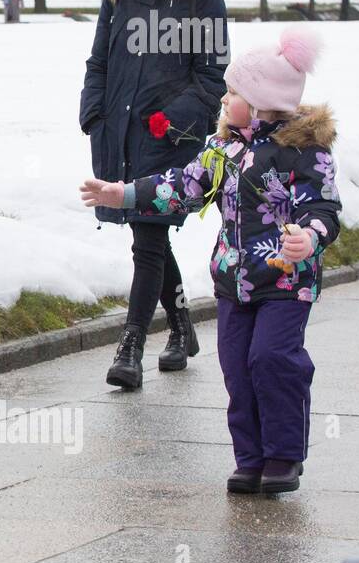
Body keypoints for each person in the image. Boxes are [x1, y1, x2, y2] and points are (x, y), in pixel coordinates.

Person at [80, 27, 340, 494]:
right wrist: (125, 193)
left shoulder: (304, 151)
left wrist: (309, 237)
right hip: (233, 282)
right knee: (238, 366)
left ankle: (283, 455)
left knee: (273, 358)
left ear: (261, 102)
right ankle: (251, 457)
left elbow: (323, 208)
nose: (224, 98)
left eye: (234, 91)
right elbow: (182, 186)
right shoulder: (223, 150)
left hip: (286, 279)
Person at [79, 0, 229, 390]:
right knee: (152, 234)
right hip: (118, 134)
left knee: (147, 237)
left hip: (168, 141)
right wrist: (92, 115)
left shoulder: (203, 3)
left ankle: (132, 345)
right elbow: (99, 61)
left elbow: (212, 81)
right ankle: (183, 327)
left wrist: (174, 120)